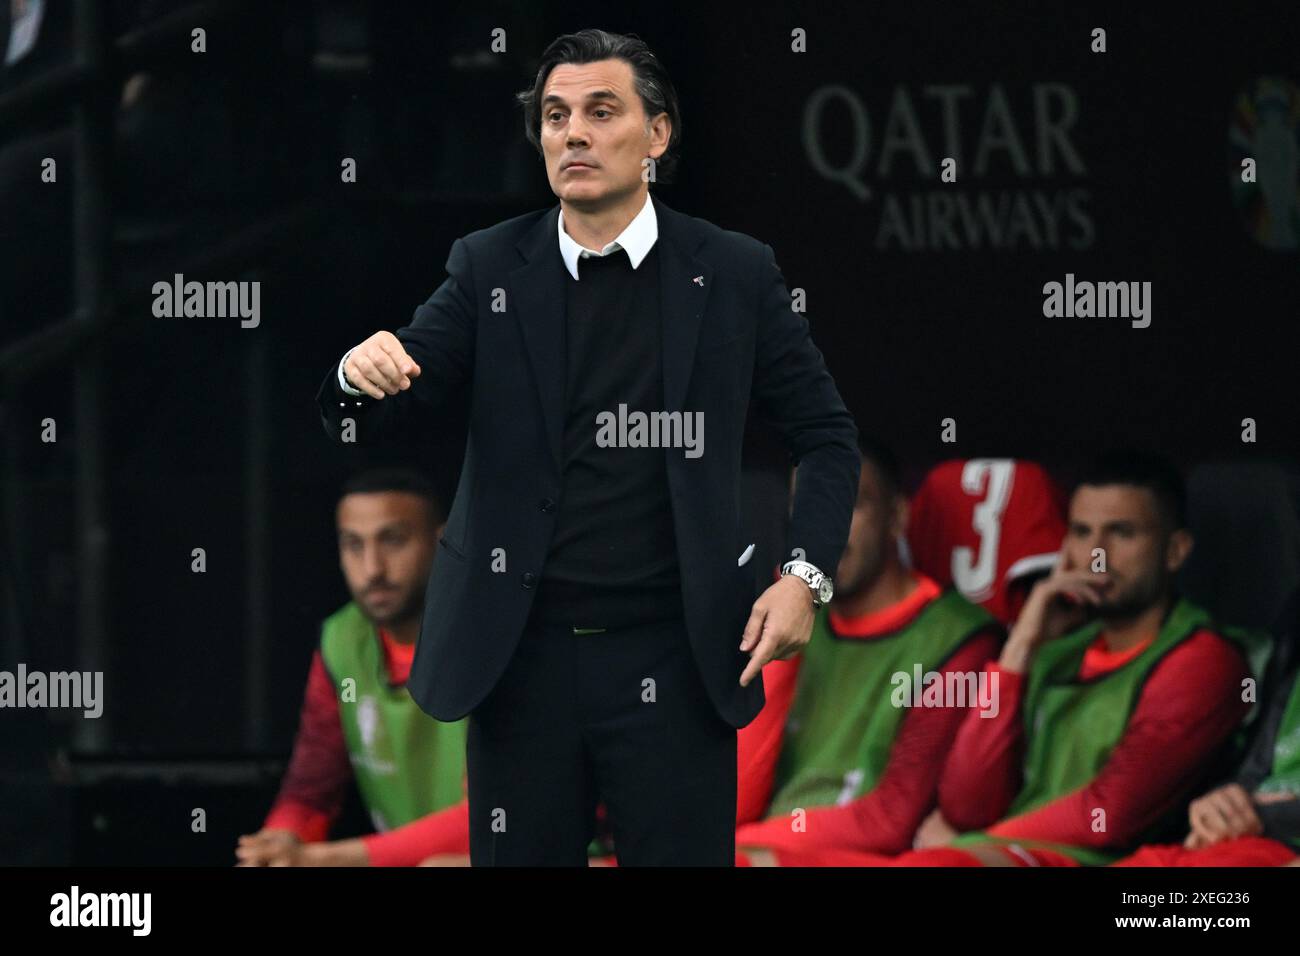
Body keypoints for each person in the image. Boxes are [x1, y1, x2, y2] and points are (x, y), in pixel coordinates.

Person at [315, 28, 858, 866]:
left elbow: (826, 435)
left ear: (659, 134)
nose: (573, 133)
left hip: (679, 656)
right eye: (556, 115)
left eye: (602, 112)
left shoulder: (735, 272)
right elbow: (390, 404)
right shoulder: (488, 266)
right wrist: (359, 373)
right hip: (520, 653)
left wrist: (806, 580)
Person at [742, 450, 1254, 867]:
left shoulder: (1202, 658)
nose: (1096, 554)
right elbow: (969, 801)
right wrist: (1018, 650)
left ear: (1175, 551)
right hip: (988, 850)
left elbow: (1109, 812)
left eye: (1121, 534)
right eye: (1080, 533)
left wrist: (972, 839)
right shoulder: (1050, 655)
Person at [732, 438, 1003, 861]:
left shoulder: (955, 637)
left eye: (848, 506)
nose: (823, 531)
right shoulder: (788, 613)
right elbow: (737, 798)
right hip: (759, 849)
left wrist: (726, 850)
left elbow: (892, 818)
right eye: (805, 510)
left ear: (896, 517)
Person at [236, 468, 469, 866]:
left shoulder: (490, 636)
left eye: (393, 540)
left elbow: (498, 813)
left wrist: (332, 859)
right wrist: (276, 846)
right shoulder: (342, 640)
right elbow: (311, 791)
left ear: (442, 540)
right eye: (353, 545)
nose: (373, 568)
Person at [1113, 585, 1300, 866]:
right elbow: (1255, 767)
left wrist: (1266, 816)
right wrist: (1221, 806)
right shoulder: (1292, 636)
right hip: (1229, 843)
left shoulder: (1202, 656)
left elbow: (1110, 814)